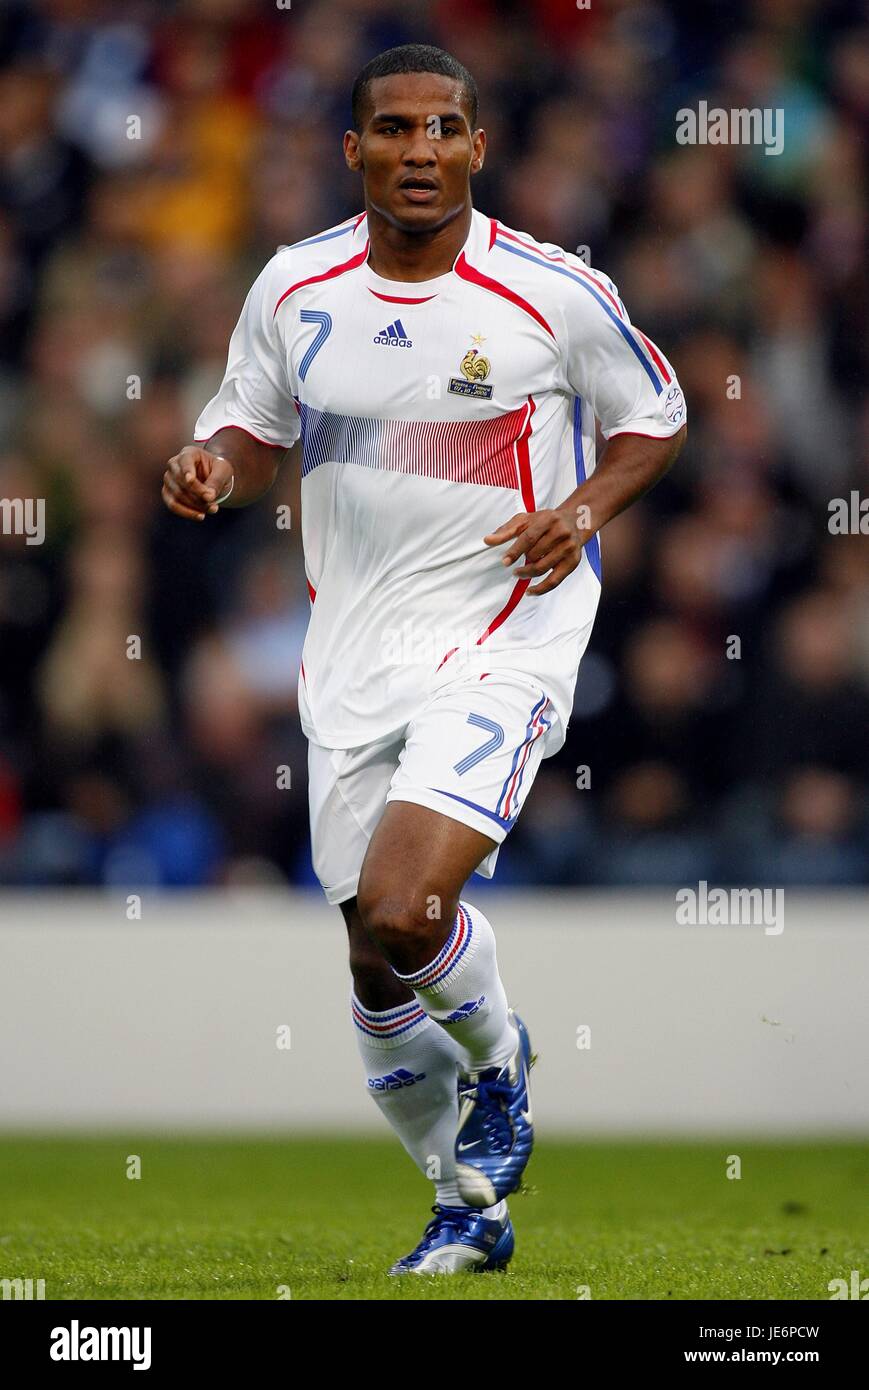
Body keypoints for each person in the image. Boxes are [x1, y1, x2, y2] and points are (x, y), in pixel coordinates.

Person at [162, 43, 687, 1276]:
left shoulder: (549, 293)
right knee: (370, 953)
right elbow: (249, 420)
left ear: (475, 147)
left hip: (505, 633)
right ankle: (466, 1206)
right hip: (350, 649)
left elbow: (653, 413)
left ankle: (499, 1067)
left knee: (407, 906)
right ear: (353, 151)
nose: (419, 151)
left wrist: (585, 509)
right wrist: (214, 467)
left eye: (443, 129)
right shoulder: (296, 288)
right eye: (392, 130)